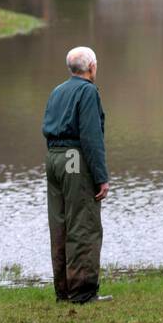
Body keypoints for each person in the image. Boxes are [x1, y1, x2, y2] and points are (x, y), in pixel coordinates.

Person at [42, 45, 112, 304]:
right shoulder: (88, 91)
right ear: (92, 67)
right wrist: (101, 176)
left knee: (59, 224)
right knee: (83, 223)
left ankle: (63, 291)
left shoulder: (57, 91)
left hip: (53, 159)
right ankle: (82, 292)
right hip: (74, 158)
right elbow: (91, 137)